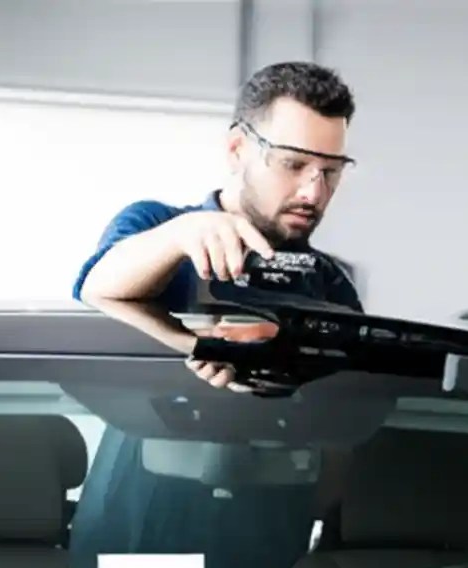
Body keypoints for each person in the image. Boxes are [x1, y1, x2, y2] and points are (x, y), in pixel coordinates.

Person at [73, 60, 363, 389]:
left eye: (331, 171)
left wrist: (287, 352)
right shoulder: (154, 225)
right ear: (237, 149)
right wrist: (179, 238)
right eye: (293, 164)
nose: (314, 193)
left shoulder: (327, 281)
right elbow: (97, 291)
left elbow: (362, 406)